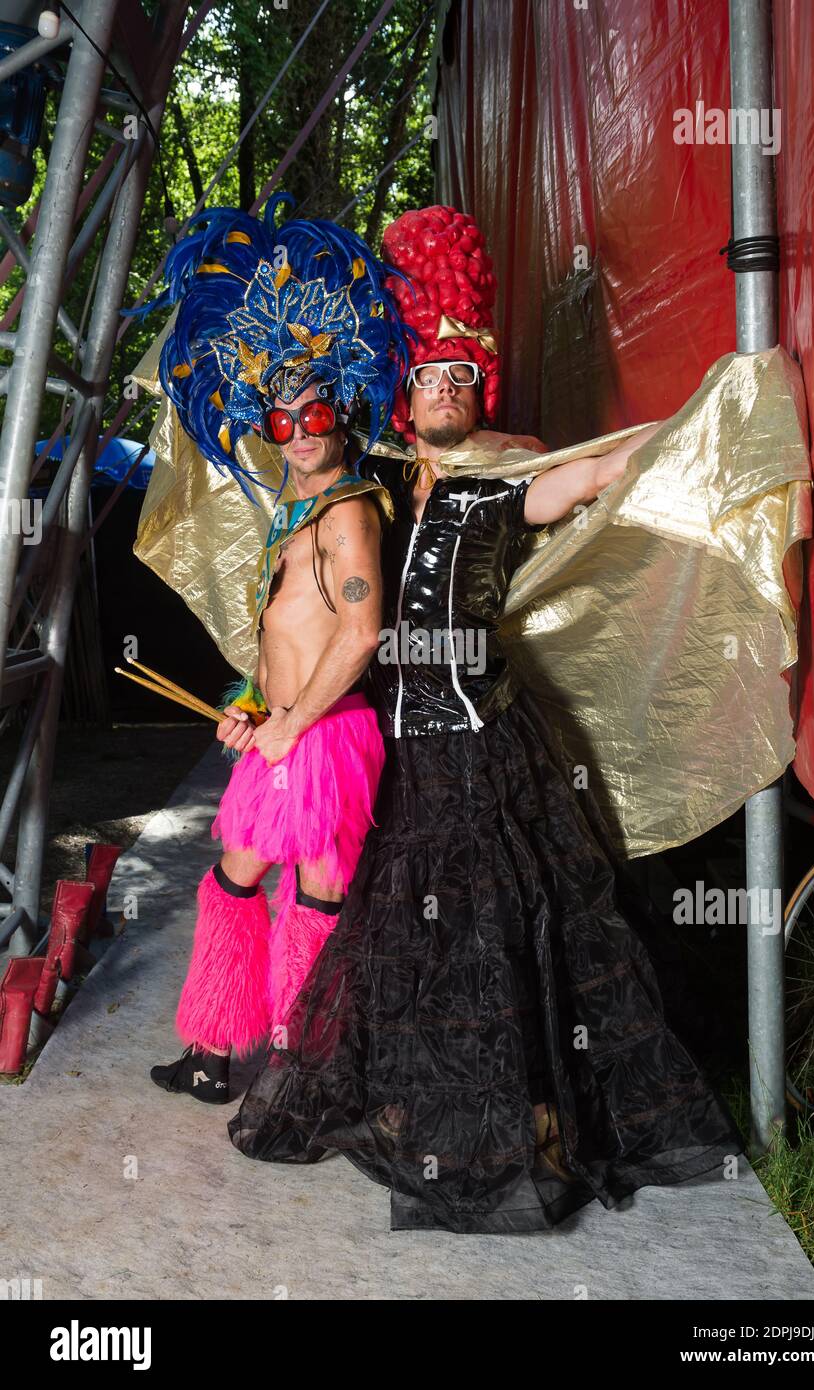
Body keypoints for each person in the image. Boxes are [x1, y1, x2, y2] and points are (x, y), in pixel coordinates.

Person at [227, 205, 744, 1232]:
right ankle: (421, 1104)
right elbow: (312, 557)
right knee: (404, 937)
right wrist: (264, 704)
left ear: (481, 404)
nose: (445, 392)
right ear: (404, 402)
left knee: (502, 933)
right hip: (397, 755)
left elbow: (586, 476)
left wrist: (692, 421)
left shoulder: (489, 502)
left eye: (462, 382)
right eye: (429, 380)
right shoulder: (371, 497)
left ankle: (523, 1122)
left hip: (482, 746)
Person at [145, 196, 410, 1103]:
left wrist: (290, 724)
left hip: (326, 737)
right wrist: (251, 706)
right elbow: (284, 639)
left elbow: (362, 633)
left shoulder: (347, 514)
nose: (296, 432)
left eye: (313, 412)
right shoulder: (295, 516)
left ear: (344, 411)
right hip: (286, 729)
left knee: (315, 900)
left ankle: (307, 1074)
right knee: (231, 885)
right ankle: (219, 1050)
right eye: (278, 419)